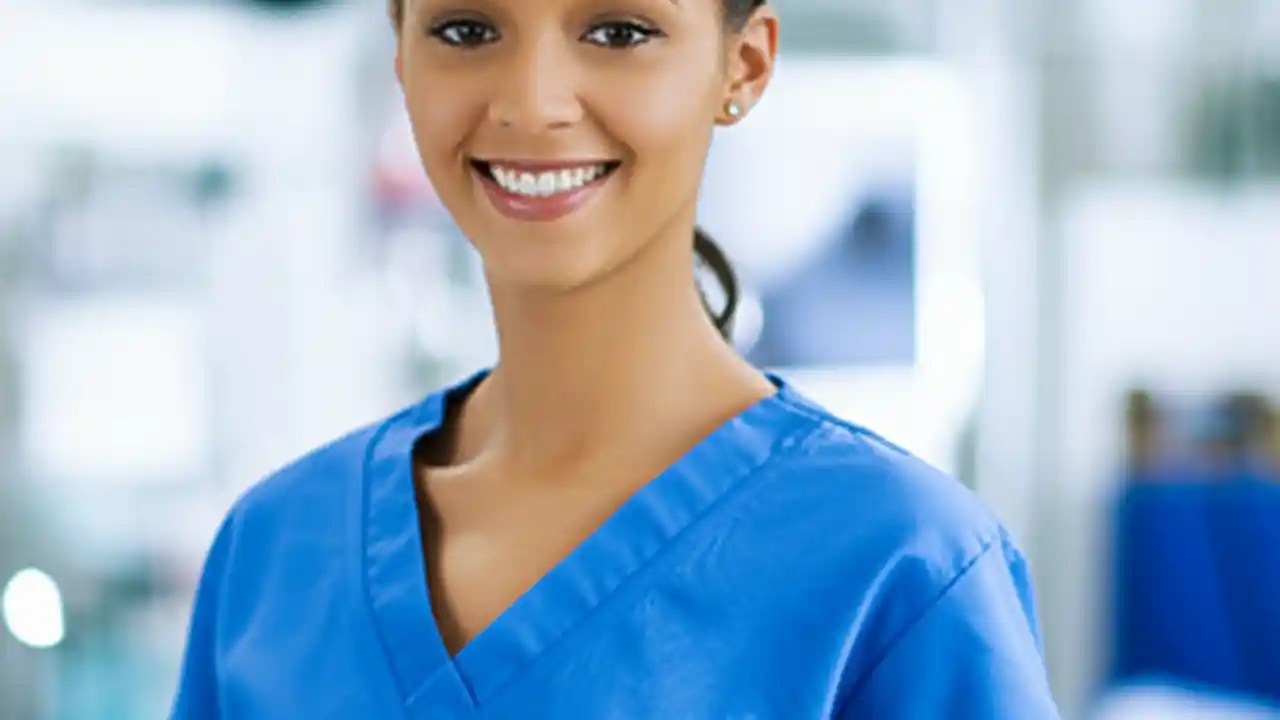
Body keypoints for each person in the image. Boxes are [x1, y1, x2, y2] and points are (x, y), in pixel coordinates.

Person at [171, 0, 1061, 717]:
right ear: (402, 55)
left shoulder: (901, 572)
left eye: (619, 32)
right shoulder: (276, 551)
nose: (530, 101)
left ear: (742, 65)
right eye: (466, 31)